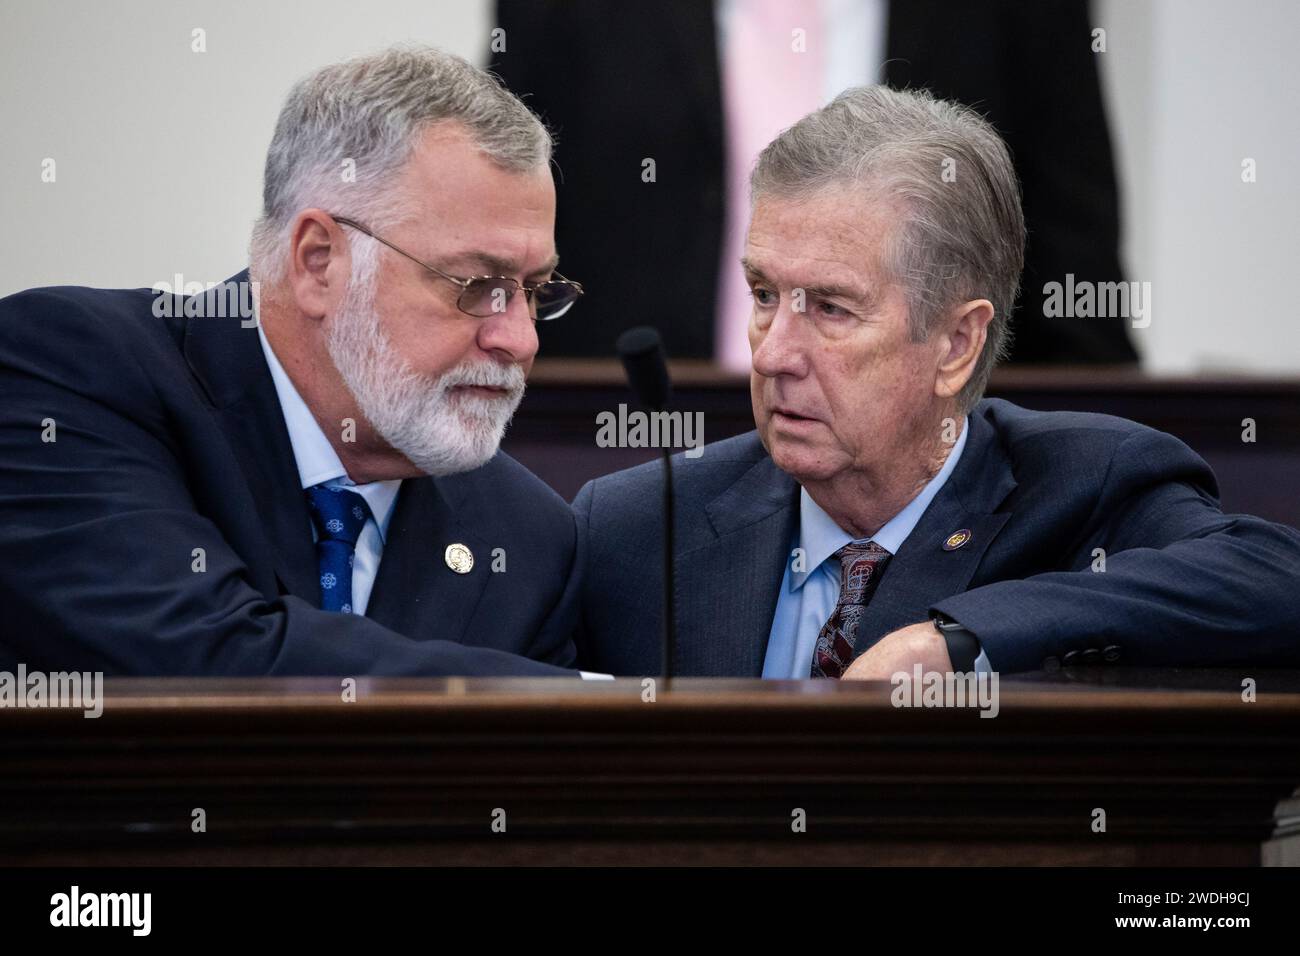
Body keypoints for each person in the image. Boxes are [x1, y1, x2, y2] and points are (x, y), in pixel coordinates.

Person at [573, 85, 1300, 679]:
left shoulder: (1086, 489)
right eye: (765, 296)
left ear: (956, 343)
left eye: (830, 308)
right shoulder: (641, 525)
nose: (771, 356)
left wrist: (960, 639)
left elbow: (1276, 577)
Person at [0, 46, 589, 676]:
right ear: (318, 262)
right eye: (476, 285)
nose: (520, 339)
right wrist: (584, 700)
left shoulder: (528, 538)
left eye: (534, 291)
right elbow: (201, 656)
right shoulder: (71, 373)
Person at [492, 0, 1137, 367]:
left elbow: (1072, 270)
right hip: (627, 446)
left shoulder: (1017, 15)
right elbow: (504, 229)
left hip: (941, 486)